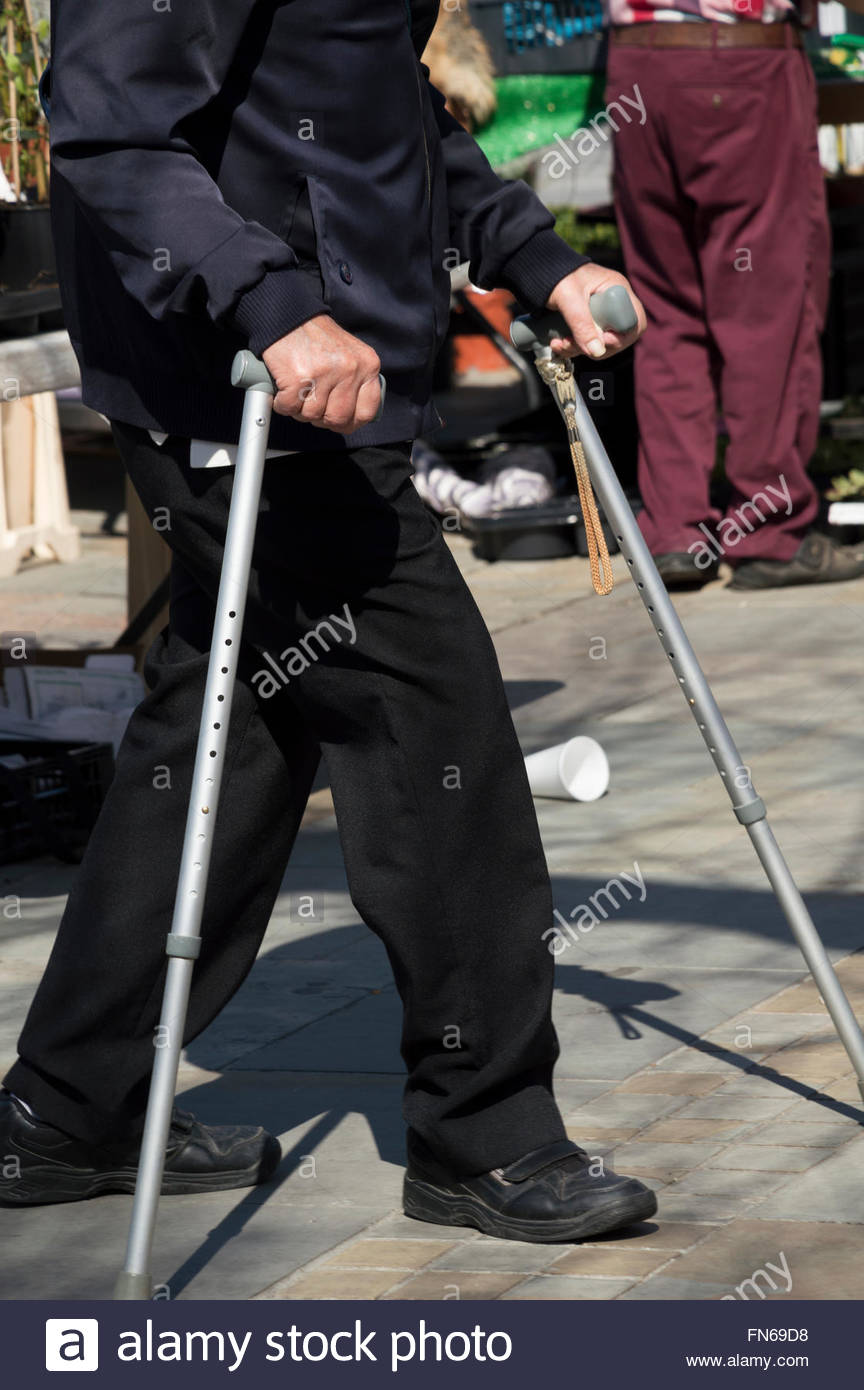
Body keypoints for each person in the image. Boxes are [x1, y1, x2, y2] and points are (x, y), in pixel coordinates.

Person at [0, 1, 656, 1244]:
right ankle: (487, 1134)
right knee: (433, 731)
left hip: (328, 381)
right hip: (247, 391)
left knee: (229, 739)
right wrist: (266, 299)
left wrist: (530, 250)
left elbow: (370, 109)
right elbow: (108, 127)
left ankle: (62, 1111)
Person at [606, 0, 864, 589]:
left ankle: (675, 531)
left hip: (640, 67)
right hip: (741, 60)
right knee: (767, 309)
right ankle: (767, 531)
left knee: (665, 308)